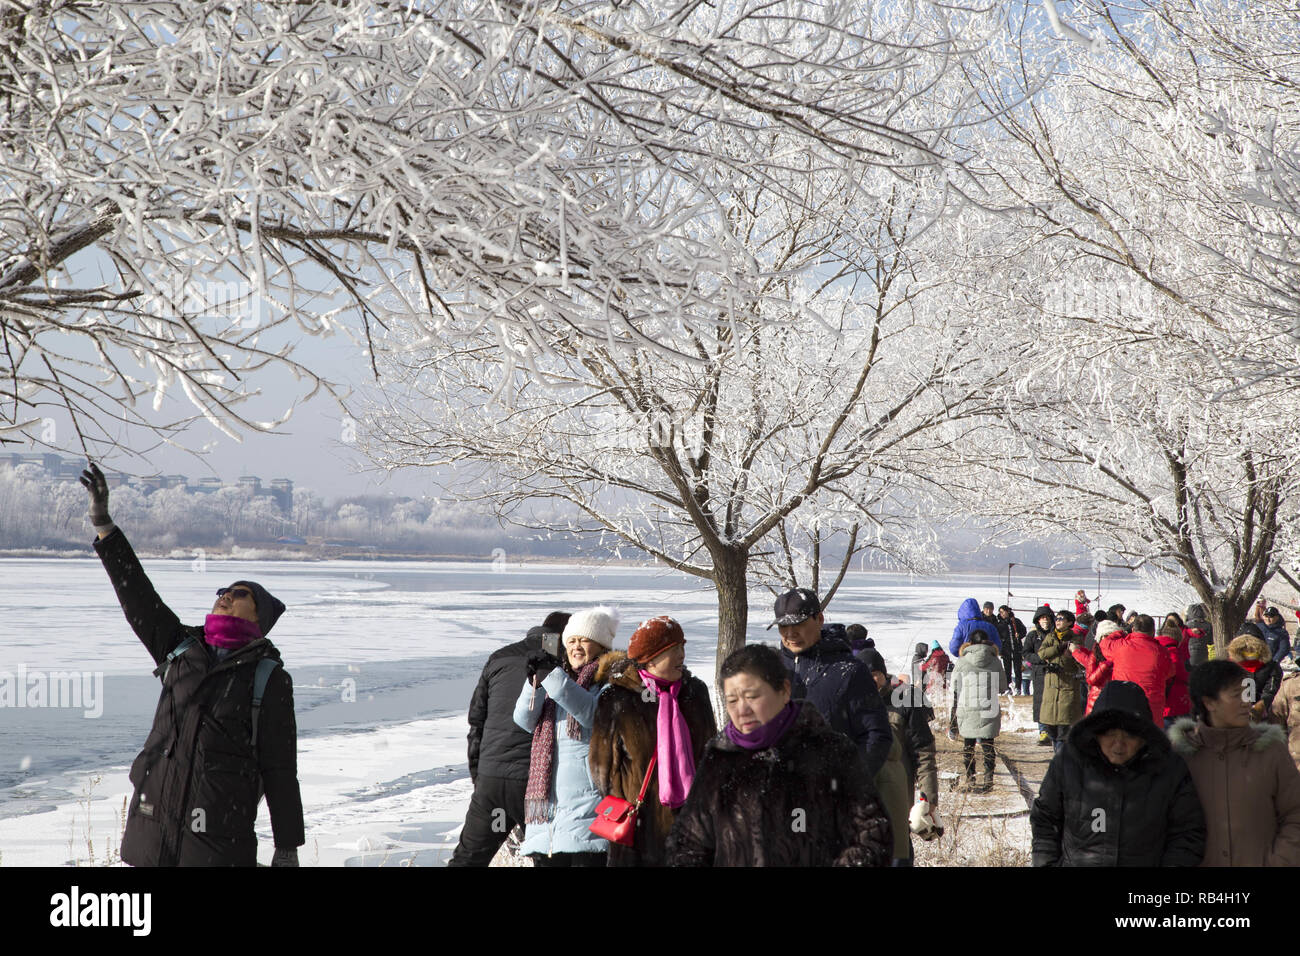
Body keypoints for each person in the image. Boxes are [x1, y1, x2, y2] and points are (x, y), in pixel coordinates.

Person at [80, 463, 303, 866]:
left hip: (217, 838)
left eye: (238, 593)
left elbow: (280, 766)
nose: (225, 595)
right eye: (223, 590)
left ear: (258, 616)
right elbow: (138, 598)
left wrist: (287, 845)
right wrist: (104, 526)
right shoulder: (181, 647)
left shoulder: (267, 678)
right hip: (153, 827)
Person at [665, 644, 891, 867]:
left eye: (752, 696)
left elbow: (873, 833)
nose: (742, 710)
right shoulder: (720, 757)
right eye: (732, 700)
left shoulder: (829, 751)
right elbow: (688, 843)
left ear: (784, 690)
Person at [1030, 681, 1205, 867]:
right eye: (1110, 734)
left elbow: (1187, 832)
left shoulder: (1169, 769)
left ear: (1143, 737)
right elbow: (1045, 818)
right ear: (1096, 733)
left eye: (1129, 736)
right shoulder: (1070, 761)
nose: (1118, 745)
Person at [588, 615, 716, 866]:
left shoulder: (695, 693)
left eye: (683, 647)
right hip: (638, 832)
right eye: (674, 649)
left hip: (691, 828)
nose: (682, 655)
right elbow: (601, 769)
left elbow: (709, 752)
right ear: (651, 657)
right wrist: (628, 797)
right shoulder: (618, 698)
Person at [449, 610, 569, 866]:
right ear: (566, 637)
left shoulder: (499, 657)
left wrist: (479, 777)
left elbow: (476, 723)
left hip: (492, 780)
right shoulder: (562, 665)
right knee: (551, 859)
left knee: (467, 860)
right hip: (538, 785)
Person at [512, 607, 616, 865]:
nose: (576, 647)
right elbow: (523, 720)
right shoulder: (559, 681)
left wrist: (553, 677)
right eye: (571, 641)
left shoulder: (611, 682)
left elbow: (593, 716)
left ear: (601, 645)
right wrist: (534, 681)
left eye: (584, 640)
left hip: (590, 819)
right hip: (547, 822)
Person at [1170, 661, 1300, 866]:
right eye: (1235, 695)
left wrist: (1281, 861)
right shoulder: (1182, 755)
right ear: (1209, 703)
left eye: (1247, 693)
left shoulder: (1271, 751)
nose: (1246, 702)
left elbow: (1295, 814)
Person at [771, 588, 892, 777]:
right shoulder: (770, 669)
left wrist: (847, 783)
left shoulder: (849, 671)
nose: (790, 633)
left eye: (798, 624)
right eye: (783, 627)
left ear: (819, 619)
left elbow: (876, 735)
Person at [858, 649, 915, 865]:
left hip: (899, 792)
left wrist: (928, 796)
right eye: (866, 674)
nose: (872, 679)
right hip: (866, 801)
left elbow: (923, 751)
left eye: (875, 673)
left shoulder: (903, 700)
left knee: (899, 854)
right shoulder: (853, 706)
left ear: (884, 674)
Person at [951, 632, 1007, 792]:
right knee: (988, 746)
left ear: (969, 644)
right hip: (989, 707)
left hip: (967, 707)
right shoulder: (995, 661)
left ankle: (970, 780)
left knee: (968, 746)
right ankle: (988, 781)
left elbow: (955, 685)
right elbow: (1003, 686)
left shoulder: (962, 661)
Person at [1099, 614, 1173, 724]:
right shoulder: (1162, 652)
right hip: (1151, 707)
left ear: (1133, 629)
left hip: (1123, 703)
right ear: (1153, 631)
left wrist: (1122, 632)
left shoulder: (1120, 646)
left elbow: (1104, 643)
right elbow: (1170, 672)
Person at [1039, 609, 1083, 752]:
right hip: (1051, 688)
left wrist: (1069, 655)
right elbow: (1041, 653)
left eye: (1061, 619)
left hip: (1067, 687)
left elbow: (1080, 661)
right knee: (1051, 729)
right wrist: (1058, 648)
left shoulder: (1075, 639)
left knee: (1063, 731)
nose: (1057, 621)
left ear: (1070, 622)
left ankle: (1060, 762)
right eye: (1056, 619)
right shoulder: (1050, 637)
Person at [1227, 625, 1284, 720]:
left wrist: (1261, 705)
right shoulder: (1228, 667)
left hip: (1263, 716)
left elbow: (1271, 690)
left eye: (1252, 647)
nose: (1248, 650)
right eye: (1244, 647)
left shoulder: (1271, 667)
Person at [1022, 605, 1055, 745]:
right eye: (1042, 618)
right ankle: (1043, 731)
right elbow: (1026, 653)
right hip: (1039, 673)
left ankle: (1054, 730)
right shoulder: (1033, 636)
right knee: (1041, 702)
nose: (1045, 621)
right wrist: (1040, 659)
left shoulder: (1056, 634)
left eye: (1047, 618)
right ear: (1038, 620)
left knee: (1054, 702)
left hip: (1055, 673)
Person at [1156, 616, 1192, 729]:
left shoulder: (1155, 648)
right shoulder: (1173, 651)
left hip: (1160, 699)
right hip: (1175, 701)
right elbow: (1180, 674)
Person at [1071, 621, 1114, 715]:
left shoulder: (1115, 650)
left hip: (1108, 697)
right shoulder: (1098, 650)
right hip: (1098, 697)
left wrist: (1076, 652)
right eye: (1105, 636)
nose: (1108, 639)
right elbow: (1090, 663)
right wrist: (1079, 650)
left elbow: (1092, 677)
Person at [998, 605, 1027, 695]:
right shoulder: (999, 623)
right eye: (1000, 612)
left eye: (1003, 612)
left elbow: (1024, 630)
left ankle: (1018, 688)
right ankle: (1008, 687)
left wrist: (1019, 635)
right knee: (1007, 670)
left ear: (1008, 612)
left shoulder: (1015, 621)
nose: (1002, 614)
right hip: (1005, 650)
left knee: (1017, 669)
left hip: (1016, 649)